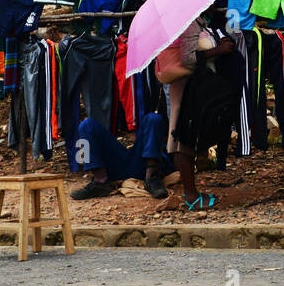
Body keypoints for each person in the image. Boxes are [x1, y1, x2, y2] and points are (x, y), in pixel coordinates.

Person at [70, 15, 234, 206]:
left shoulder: (193, 23)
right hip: (120, 158)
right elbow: (188, 59)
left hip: (147, 157)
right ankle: (99, 179)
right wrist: (218, 49)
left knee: (154, 120)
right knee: (86, 125)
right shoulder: (183, 25)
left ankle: (151, 176)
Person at [155, 15, 235, 211]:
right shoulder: (189, 22)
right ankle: (190, 194)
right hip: (185, 87)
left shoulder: (197, 20)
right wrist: (219, 50)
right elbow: (189, 58)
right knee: (183, 137)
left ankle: (190, 192)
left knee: (183, 135)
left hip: (189, 87)